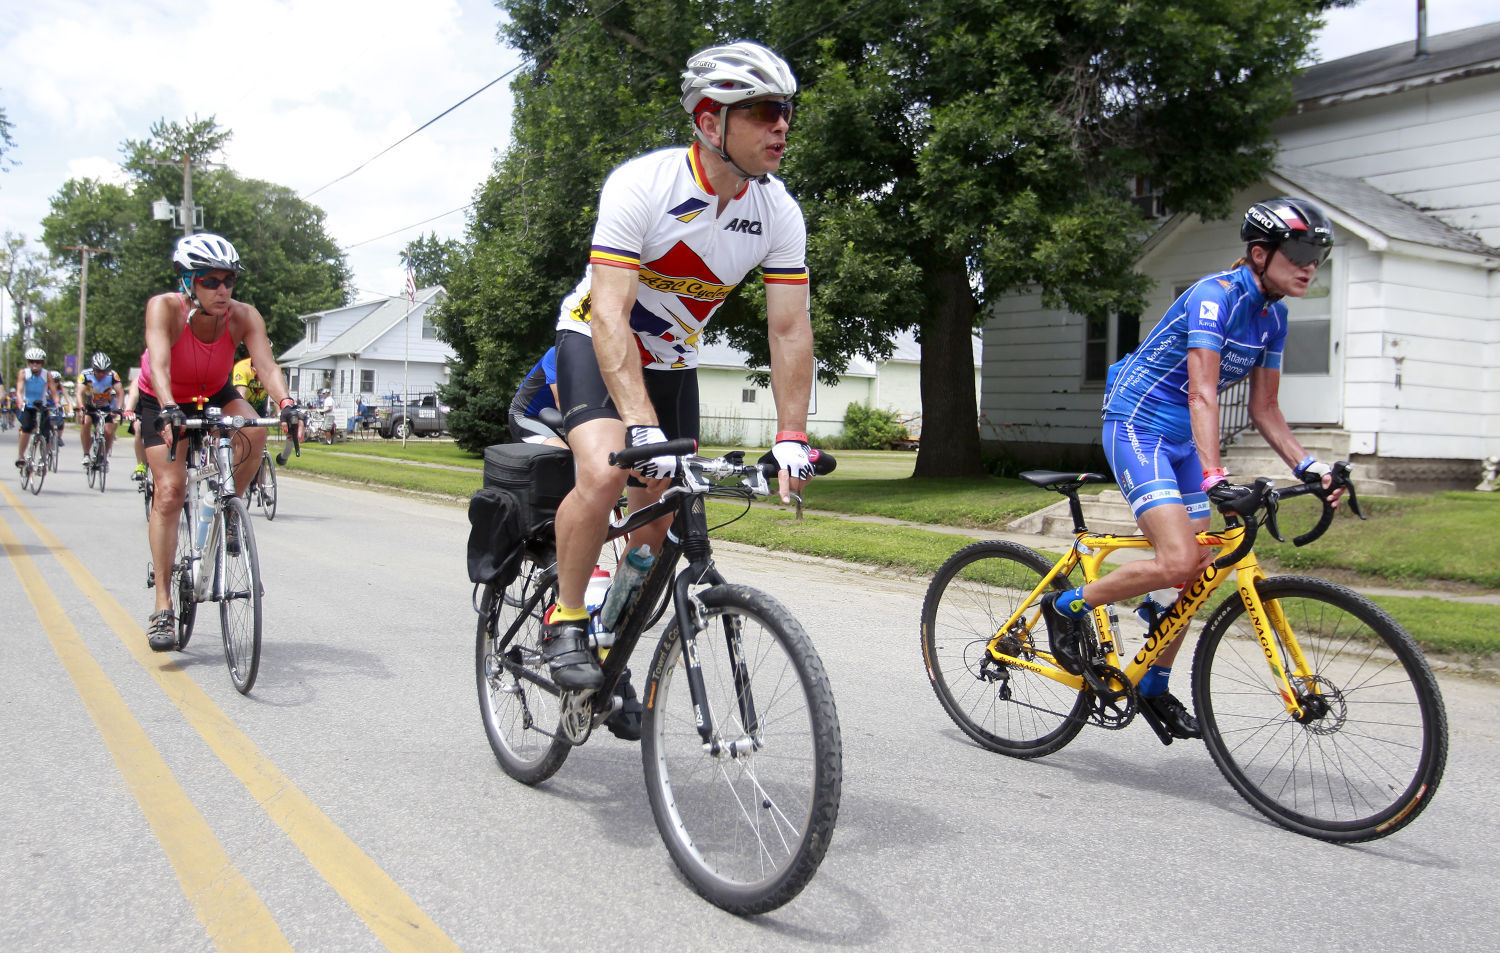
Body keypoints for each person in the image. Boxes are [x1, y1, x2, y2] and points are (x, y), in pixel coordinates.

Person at [540, 41, 816, 740]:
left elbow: (788, 329)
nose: (782, 125)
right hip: (596, 339)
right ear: (709, 119)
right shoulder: (644, 185)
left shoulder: (778, 211)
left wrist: (792, 434)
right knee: (608, 472)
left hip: (672, 361)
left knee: (657, 527)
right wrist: (638, 424)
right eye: (763, 111)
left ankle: (608, 640)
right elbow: (610, 313)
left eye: (786, 110)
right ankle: (565, 618)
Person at [1042, 196, 1343, 739]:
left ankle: (1153, 683)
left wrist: (1310, 466)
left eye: (1316, 258)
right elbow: (1202, 393)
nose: (1309, 267)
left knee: (1197, 569)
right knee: (1178, 558)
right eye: (1299, 254)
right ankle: (1066, 606)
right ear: (1259, 253)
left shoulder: (1274, 317)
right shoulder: (1214, 296)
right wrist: (1215, 477)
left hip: (1182, 440)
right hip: (1139, 426)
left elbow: (1264, 408)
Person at [139, 232, 300, 651]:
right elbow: (159, 364)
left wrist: (287, 403)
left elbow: (266, 365)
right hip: (164, 397)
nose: (222, 289)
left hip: (213, 392)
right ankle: (163, 606)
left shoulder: (243, 315)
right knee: (170, 491)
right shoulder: (164, 308)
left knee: (255, 428)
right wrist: (169, 407)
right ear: (188, 281)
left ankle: (231, 505)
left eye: (229, 280)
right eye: (210, 281)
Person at [508, 346, 566, 447]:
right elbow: (561, 403)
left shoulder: (588, 362)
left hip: (553, 417)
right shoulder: (557, 353)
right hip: (525, 416)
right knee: (562, 453)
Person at [14, 346, 62, 469]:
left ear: (42, 362)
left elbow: (54, 391)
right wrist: (20, 400)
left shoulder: (47, 374)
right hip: (27, 405)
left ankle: (43, 459)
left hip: (41, 405)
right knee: (27, 427)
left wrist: (57, 403)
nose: (35, 364)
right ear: (28, 362)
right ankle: (21, 456)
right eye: (32, 362)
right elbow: (19, 389)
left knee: (47, 432)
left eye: (38, 362)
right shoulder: (23, 373)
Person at [78, 352, 124, 466]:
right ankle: (86, 454)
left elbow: (120, 393)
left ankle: (104, 456)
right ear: (93, 369)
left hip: (105, 407)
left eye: (104, 371)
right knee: (86, 422)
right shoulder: (85, 375)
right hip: (90, 406)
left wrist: (118, 408)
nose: (101, 374)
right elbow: (79, 393)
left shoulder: (113, 375)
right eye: (98, 371)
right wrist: (81, 407)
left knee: (109, 431)